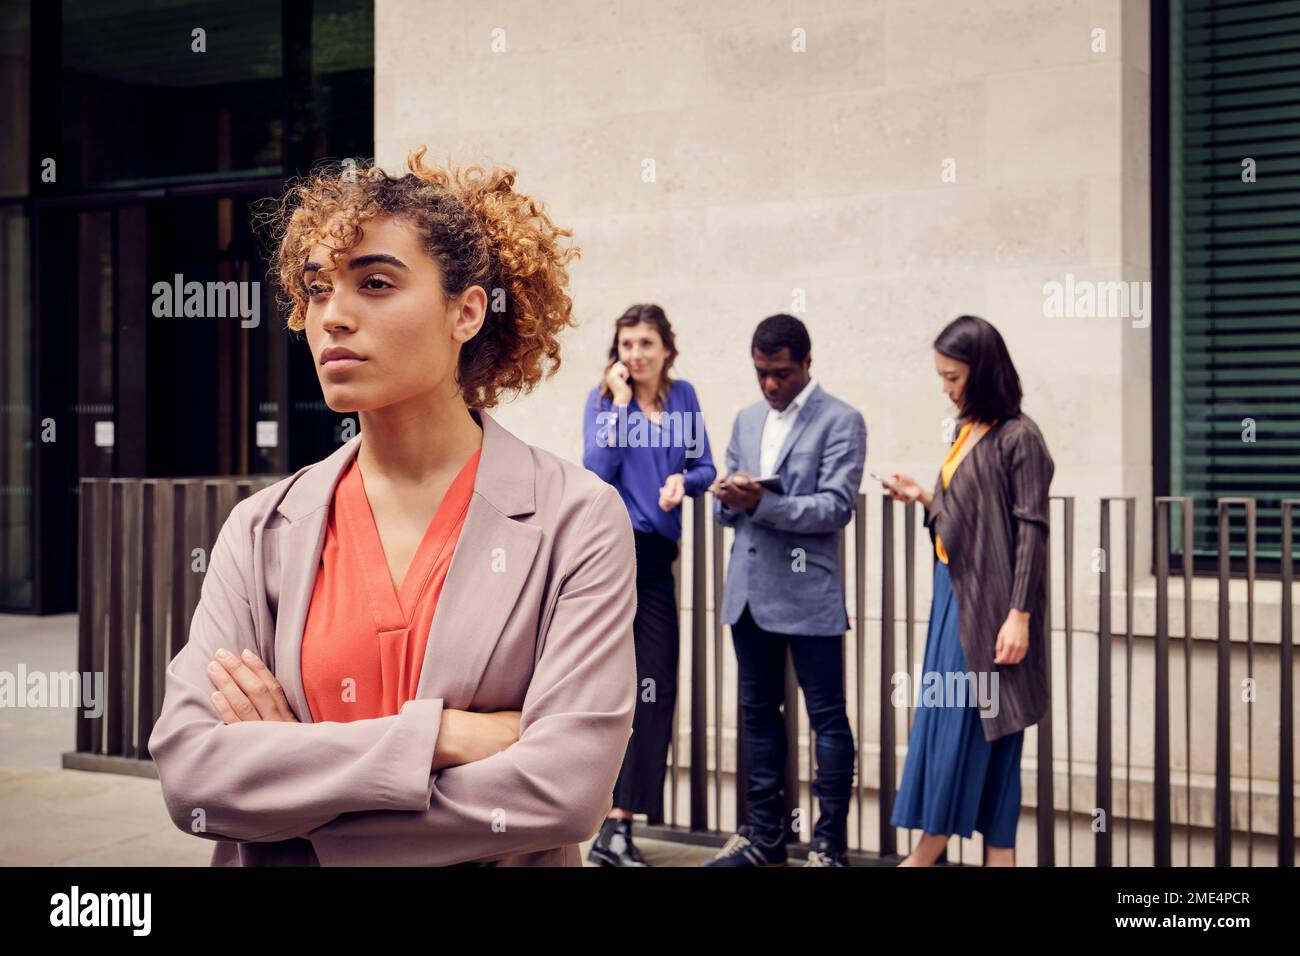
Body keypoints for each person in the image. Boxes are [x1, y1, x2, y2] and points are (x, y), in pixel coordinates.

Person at [147, 149, 637, 866]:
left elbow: (562, 793)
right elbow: (196, 779)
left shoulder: (577, 519)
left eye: (375, 283)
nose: (333, 317)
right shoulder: (261, 529)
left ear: (467, 311)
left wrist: (291, 787)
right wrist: (436, 739)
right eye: (317, 290)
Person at [882, 314, 1054, 867]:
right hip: (954, 593)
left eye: (952, 377)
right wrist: (923, 496)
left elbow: (1031, 530)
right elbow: (970, 518)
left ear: (982, 373)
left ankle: (921, 858)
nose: (945, 387)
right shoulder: (968, 429)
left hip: (993, 606)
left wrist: (1019, 614)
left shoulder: (1020, 437)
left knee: (967, 727)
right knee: (968, 729)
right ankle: (996, 858)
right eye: (942, 376)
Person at [705, 313, 866, 867]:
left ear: (806, 364)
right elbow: (726, 512)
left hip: (808, 596)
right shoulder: (747, 419)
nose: (771, 384)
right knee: (757, 716)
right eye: (761, 373)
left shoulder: (841, 420)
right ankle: (764, 839)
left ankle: (828, 847)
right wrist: (728, 496)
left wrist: (762, 502)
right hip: (748, 595)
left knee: (827, 718)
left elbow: (835, 507)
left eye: (782, 373)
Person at [582, 303, 716, 866]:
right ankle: (608, 824)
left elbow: (706, 466)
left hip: (659, 559)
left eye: (645, 344)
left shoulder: (683, 398)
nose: (635, 355)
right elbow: (596, 470)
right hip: (617, 553)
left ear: (666, 348)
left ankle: (621, 824)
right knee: (613, 686)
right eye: (626, 344)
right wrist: (617, 404)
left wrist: (683, 481)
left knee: (655, 685)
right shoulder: (604, 400)